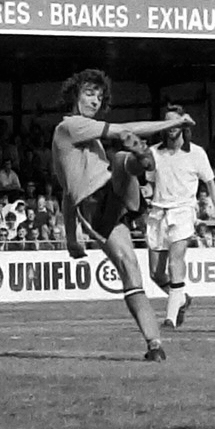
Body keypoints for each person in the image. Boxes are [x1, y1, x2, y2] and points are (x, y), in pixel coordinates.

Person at [53, 68, 192, 362]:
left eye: (99, 97)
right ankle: (155, 345)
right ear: (74, 95)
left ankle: (140, 160)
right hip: (94, 205)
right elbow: (69, 192)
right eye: (89, 94)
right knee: (130, 268)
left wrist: (70, 237)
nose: (95, 101)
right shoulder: (71, 126)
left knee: (118, 160)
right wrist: (174, 122)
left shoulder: (85, 137)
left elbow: (66, 192)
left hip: (111, 194)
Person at [145, 104, 215, 331]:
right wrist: (143, 193)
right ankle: (182, 299)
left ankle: (171, 318)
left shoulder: (196, 153)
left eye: (176, 122)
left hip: (183, 211)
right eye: (168, 122)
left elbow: (210, 182)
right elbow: (150, 184)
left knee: (176, 261)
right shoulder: (154, 152)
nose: (172, 127)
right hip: (158, 212)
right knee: (156, 273)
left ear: (183, 125)